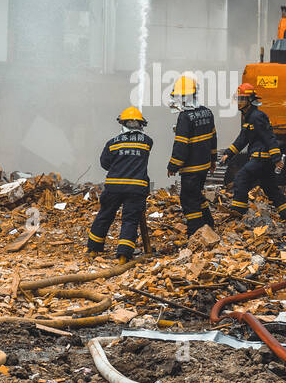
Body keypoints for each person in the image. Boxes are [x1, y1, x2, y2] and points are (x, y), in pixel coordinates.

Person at [222, 82, 286, 225]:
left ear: (250, 100)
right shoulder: (249, 117)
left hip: (260, 159)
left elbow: (269, 137)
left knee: (240, 180)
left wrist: (277, 158)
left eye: (242, 99)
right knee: (271, 189)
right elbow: (243, 139)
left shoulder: (257, 116)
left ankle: (238, 214)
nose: (239, 102)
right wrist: (228, 153)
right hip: (261, 160)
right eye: (238, 99)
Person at [88, 106, 152, 261]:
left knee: (105, 215)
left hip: (113, 187)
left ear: (122, 123)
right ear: (141, 124)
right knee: (130, 220)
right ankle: (123, 254)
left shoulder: (112, 143)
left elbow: (104, 163)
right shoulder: (147, 141)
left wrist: (119, 167)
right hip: (136, 189)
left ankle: (93, 250)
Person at [166, 74, 217, 235]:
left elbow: (181, 145)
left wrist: (173, 165)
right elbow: (213, 138)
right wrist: (213, 159)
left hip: (191, 168)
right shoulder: (207, 112)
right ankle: (208, 223)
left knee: (188, 199)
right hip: (204, 165)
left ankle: (196, 232)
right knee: (196, 195)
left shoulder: (185, 117)